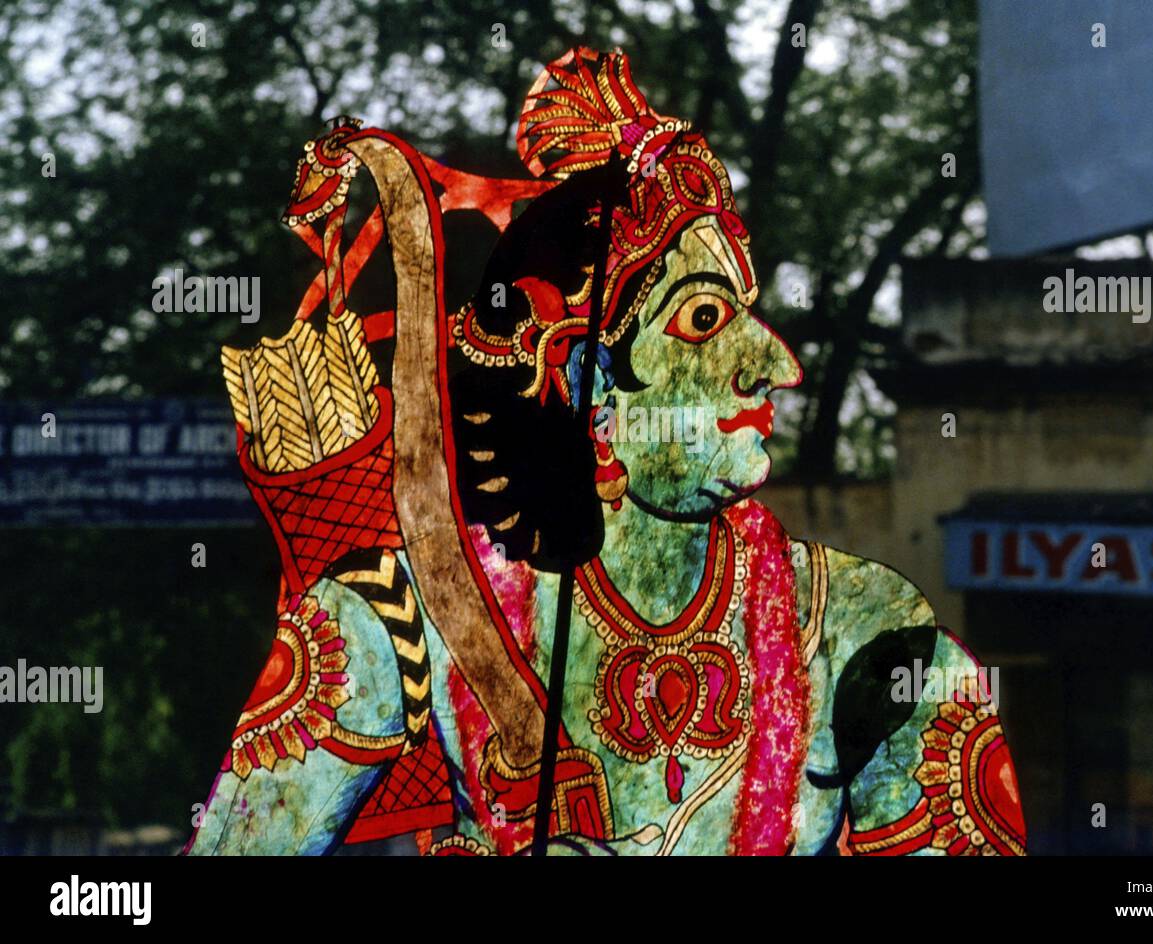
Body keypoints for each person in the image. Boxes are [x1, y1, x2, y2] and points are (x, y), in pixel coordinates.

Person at [187, 47, 1026, 856]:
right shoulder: (404, 619)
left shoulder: (865, 631)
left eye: (749, 315)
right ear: (585, 386)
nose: (779, 363)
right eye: (704, 320)